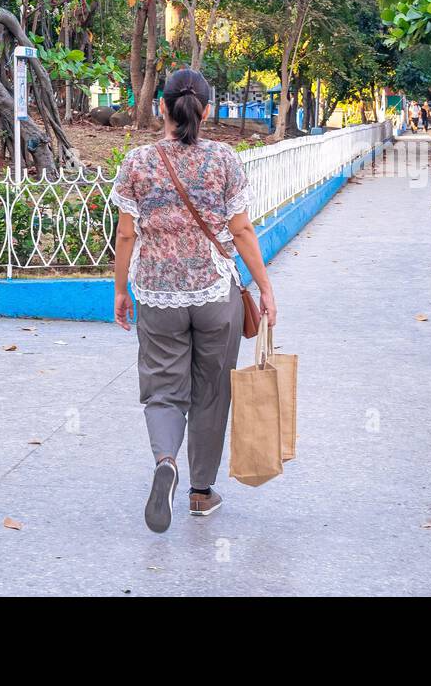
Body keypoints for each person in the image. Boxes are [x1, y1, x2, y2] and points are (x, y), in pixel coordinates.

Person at [111, 68, 278, 533]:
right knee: (212, 392)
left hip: (158, 292)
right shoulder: (224, 158)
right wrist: (264, 287)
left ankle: (166, 460)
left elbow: (126, 233)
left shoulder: (137, 162)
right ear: (205, 110)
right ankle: (202, 493)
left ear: (161, 107)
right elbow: (241, 229)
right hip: (214, 294)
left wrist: (121, 289)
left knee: (164, 390)